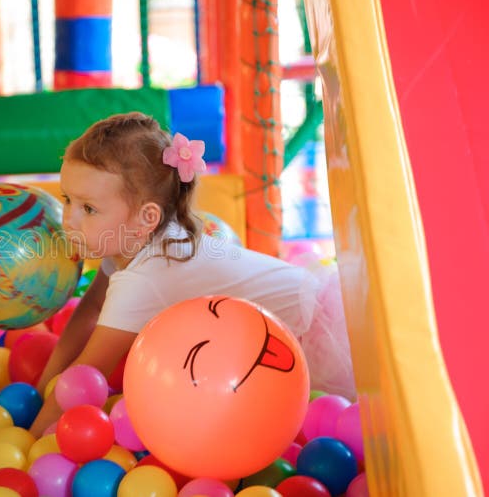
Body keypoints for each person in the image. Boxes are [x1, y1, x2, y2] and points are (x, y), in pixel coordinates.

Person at [28, 112, 354, 436]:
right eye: (67, 200)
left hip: (304, 336)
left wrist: (31, 439)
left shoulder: (142, 279)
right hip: (283, 317)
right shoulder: (132, 240)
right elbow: (89, 311)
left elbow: (87, 376)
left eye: (88, 208)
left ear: (147, 217)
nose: (68, 219)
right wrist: (43, 385)